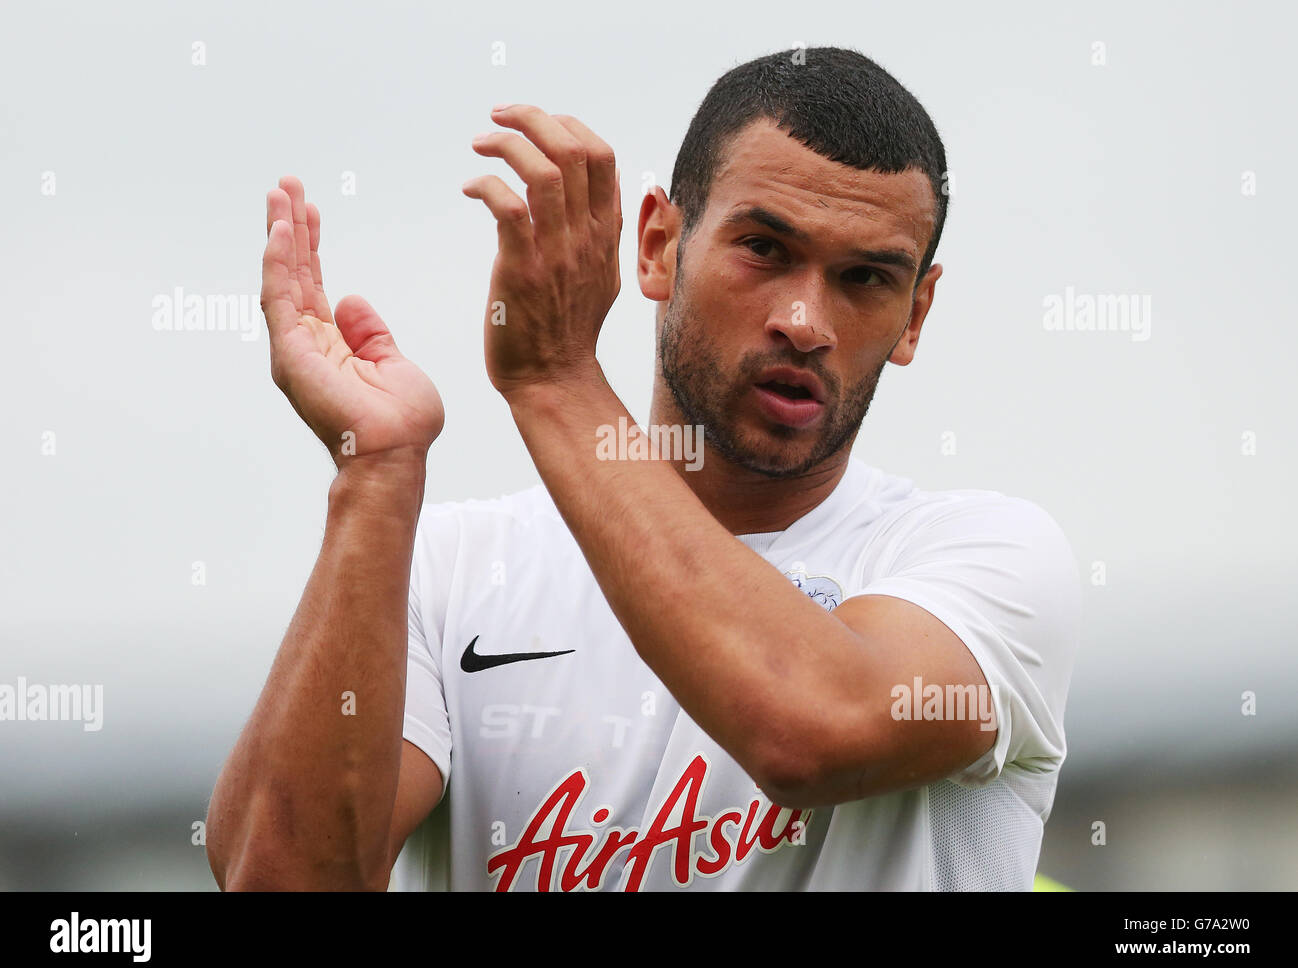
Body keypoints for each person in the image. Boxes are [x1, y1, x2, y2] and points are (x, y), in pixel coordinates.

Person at [206, 46, 1079, 892]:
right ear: (659, 245)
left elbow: (809, 732)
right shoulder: (451, 569)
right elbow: (281, 884)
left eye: (864, 278)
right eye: (765, 250)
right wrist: (376, 479)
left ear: (916, 313)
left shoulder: (985, 560)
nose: (806, 320)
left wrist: (555, 380)